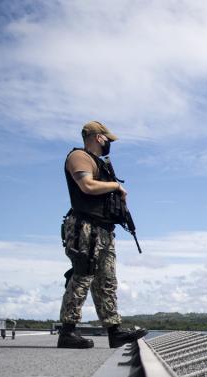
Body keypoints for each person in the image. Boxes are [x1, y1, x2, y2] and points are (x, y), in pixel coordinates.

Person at [57, 120, 147, 349]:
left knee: (106, 281)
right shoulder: (79, 157)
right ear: (99, 137)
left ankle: (114, 331)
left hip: (104, 230)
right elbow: (86, 185)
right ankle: (67, 332)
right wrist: (116, 187)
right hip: (85, 227)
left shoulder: (100, 163)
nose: (109, 143)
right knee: (82, 275)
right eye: (108, 139)